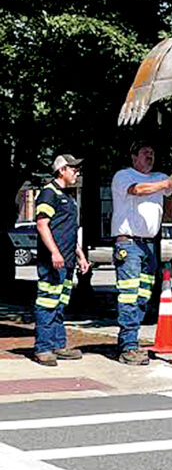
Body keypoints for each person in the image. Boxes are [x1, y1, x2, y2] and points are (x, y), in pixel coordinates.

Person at [111, 141, 172, 365]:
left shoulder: (160, 176)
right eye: (145, 153)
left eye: (152, 152)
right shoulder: (123, 176)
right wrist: (167, 182)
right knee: (129, 296)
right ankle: (128, 347)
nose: (149, 156)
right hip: (129, 244)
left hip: (150, 245)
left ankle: (129, 341)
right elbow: (138, 190)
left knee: (143, 296)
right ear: (134, 157)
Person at [33, 155, 91, 366]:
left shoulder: (66, 196)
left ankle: (58, 345)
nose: (77, 173)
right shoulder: (49, 193)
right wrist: (55, 253)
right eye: (73, 169)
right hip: (53, 262)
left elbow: (69, 231)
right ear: (61, 170)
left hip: (66, 261)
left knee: (58, 305)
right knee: (47, 304)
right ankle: (43, 348)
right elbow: (42, 225)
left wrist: (80, 256)